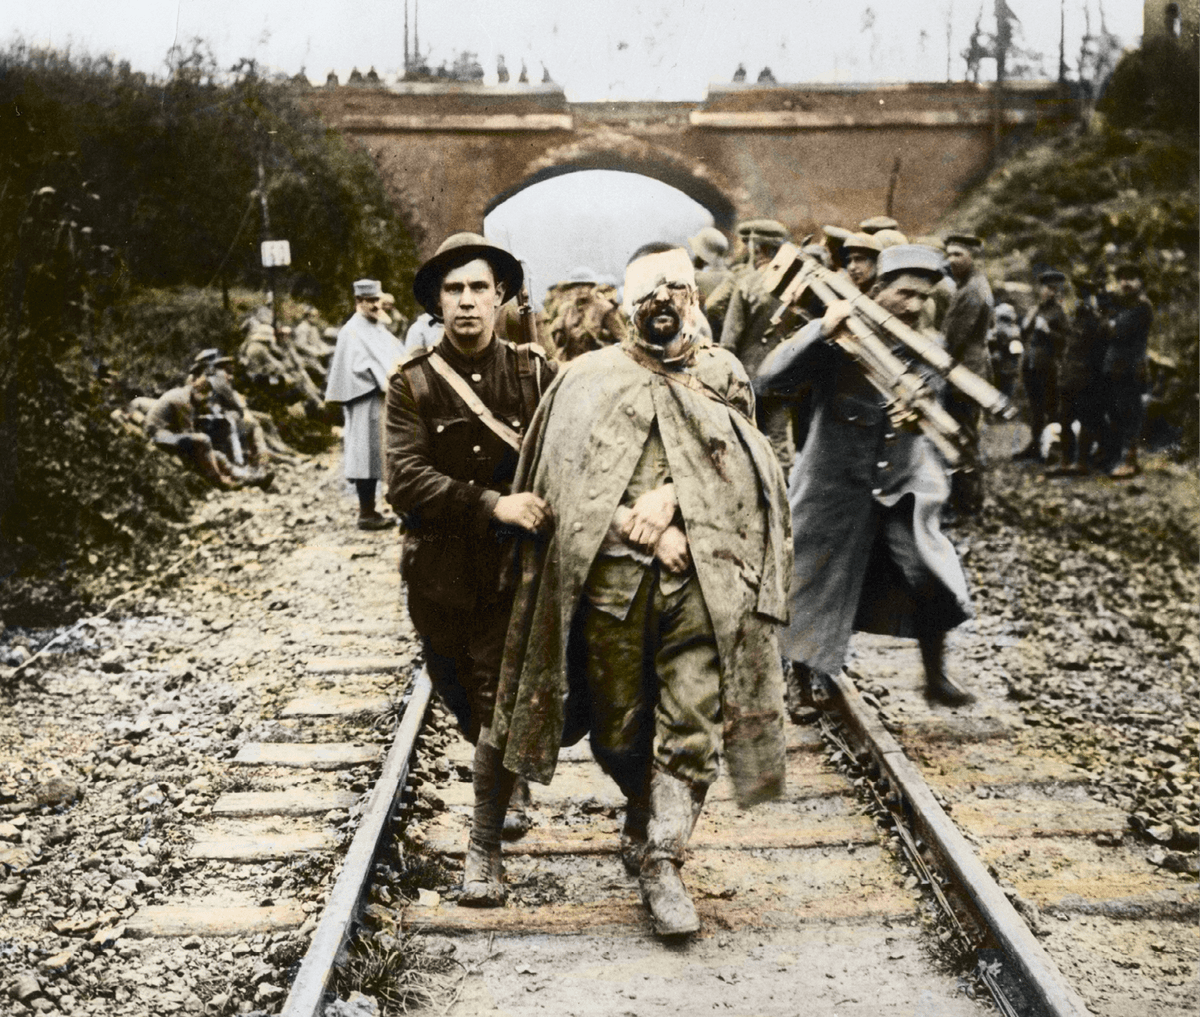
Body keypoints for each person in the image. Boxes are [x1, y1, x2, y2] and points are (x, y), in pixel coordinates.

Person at [488, 243, 791, 937]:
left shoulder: (723, 374)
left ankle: (663, 859)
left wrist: (678, 502)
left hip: (704, 584)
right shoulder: (587, 379)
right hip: (613, 585)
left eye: (677, 288)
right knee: (618, 731)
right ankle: (641, 807)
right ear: (626, 305)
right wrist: (637, 523)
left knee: (693, 720)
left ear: (696, 298)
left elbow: (749, 474)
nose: (664, 303)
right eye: (649, 291)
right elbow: (561, 483)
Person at [385, 232, 557, 904]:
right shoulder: (413, 382)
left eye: (478, 288)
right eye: (452, 289)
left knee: (493, 698)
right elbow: (405, 479)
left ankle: (482, 851)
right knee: (457, 691)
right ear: (436, 303)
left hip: (515, 569)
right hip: (441, 572)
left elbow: (570, 450)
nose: (465, 301)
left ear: (501, 296)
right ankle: (503, 773)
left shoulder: (534, 372)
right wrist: (491, 503)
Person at [757, 244, 977, 709]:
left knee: (929, 576)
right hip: (834, 481)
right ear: (878, 290)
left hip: (901, 485)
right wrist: (821, 329)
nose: (914, 305)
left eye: (923, 297)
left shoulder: (929, 348)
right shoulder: (841, 337)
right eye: (904, 294)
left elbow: (937, 414)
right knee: (811, 580)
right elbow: (771, 377)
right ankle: (799, 680)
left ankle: (935, 677)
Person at [326, 279, 406, 530]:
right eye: (370, 301)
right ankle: (366, 512)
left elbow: (395, 353)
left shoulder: (377, 327)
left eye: (377, 299)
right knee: (365, 455)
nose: (375, 305)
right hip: (364, 398)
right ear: (358, 301)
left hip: (385, 397)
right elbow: (354, 367)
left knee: (387, 452)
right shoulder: (351, 331)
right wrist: (382, 377)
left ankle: (393, 506)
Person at [719, 219, 794, 469]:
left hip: (748, 375)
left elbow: (729, 339)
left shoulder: (747, 282)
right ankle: (783, 485)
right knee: (781, 440)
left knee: (745, 438)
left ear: (758, 249)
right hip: (785, 373)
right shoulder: (795, 283)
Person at [940, 233, 994, 515]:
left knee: (963, 435)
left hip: (965, 372)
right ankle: (969, 500)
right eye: (948, 254)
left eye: (958, 254)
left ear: (973, 257)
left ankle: (968, 503)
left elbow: (955, 338)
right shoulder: (969, 285)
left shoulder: (972, 290)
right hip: (968, 369)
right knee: (964, 434)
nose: (951, 260)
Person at [144, 372, 260, 489]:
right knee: (204, 440)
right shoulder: (183, 401)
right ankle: (219, 479)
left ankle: (242, 475)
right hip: (159, 434)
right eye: (204, 399)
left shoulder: (187, 395)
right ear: (197, 392)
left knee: (214, 452)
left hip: (169, 432)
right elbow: (189, 432)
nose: (205, 403)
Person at [1097, 263, 1154, 477]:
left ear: (1141, 281)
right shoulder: (1125, 305)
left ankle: (1128, 462)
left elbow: (1115, 332)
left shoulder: (1141, 306)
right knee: (1117, 414)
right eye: (1121, 278)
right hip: (1117, 368)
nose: (1125, 283)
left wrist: (1108, 320)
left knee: (1129, 414)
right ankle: (1116, 459)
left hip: (1130, 369)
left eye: (1130, 278)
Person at [1053, 275, 1108, 473]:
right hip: (1068, 377)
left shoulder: (1096, 322)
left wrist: (1094, 379)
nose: (1080, 301)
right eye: (1079, 296)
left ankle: (1082, 462)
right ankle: (1065, 461)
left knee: (1087, 419)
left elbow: (1099, 353)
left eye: (1085, 296)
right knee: (1064, 419)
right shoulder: (1074, 320)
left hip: (1086, 378)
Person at [1015, 270, 1069, 462]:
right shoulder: (1035, 309)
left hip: (1048, 366)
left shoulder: (1058, 312)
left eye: (1054, 289)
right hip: (1030, 365)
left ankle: (1052, 448)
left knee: (1051, 408)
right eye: (1047, 288)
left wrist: (1047, 331)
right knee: (1035, 408)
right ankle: (1035, 445)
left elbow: (1066, 340)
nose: (1050, 292)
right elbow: (1024, 335)